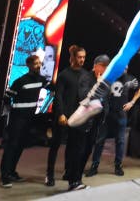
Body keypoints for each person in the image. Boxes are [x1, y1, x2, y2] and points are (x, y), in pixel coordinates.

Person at [0, 54, 48, 188]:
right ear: (29, 65)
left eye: (39, 63)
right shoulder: (21, 81)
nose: (38, 66)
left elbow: (53, 87)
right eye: (36, 63)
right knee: (12, 146)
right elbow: (7, 96)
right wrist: (11, 111)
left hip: (29, 119)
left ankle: (12, 172)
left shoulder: (41, 80)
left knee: (20, 146)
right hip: (17, 119)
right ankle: (5, 176)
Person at [85, 67, 140, 177]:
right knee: (99, 141)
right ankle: (94, 166)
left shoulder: (130, 79)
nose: (124, 68)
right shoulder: (110, 77)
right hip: (106, 114)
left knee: (120, 141)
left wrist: (132, 102)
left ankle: (118, 166)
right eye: (123, 65)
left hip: (121, 114)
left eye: (126, 66)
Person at [49, 44, 92, 191]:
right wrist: (60, 113)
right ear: (72, 57)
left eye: (84, 57)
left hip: (78, 117)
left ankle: (73, 180)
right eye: (79, 57)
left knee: (76, 149)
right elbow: (58, 96)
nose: (82, 60)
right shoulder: (64, 75)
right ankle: (50, 175)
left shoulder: (86, 75)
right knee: (55, 145)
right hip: (63, 117)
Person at [80, 55, 110, 176]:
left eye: (107, 67)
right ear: (96, 65)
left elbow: (106, 98)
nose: (105, 69)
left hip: (99, 118)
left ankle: (81, 169)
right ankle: (74, 171)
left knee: (90, 146)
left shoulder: (105, 80)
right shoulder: (86, 77)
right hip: (86, 118)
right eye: (103, 66)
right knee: (81, 146)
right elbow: (84, 95)